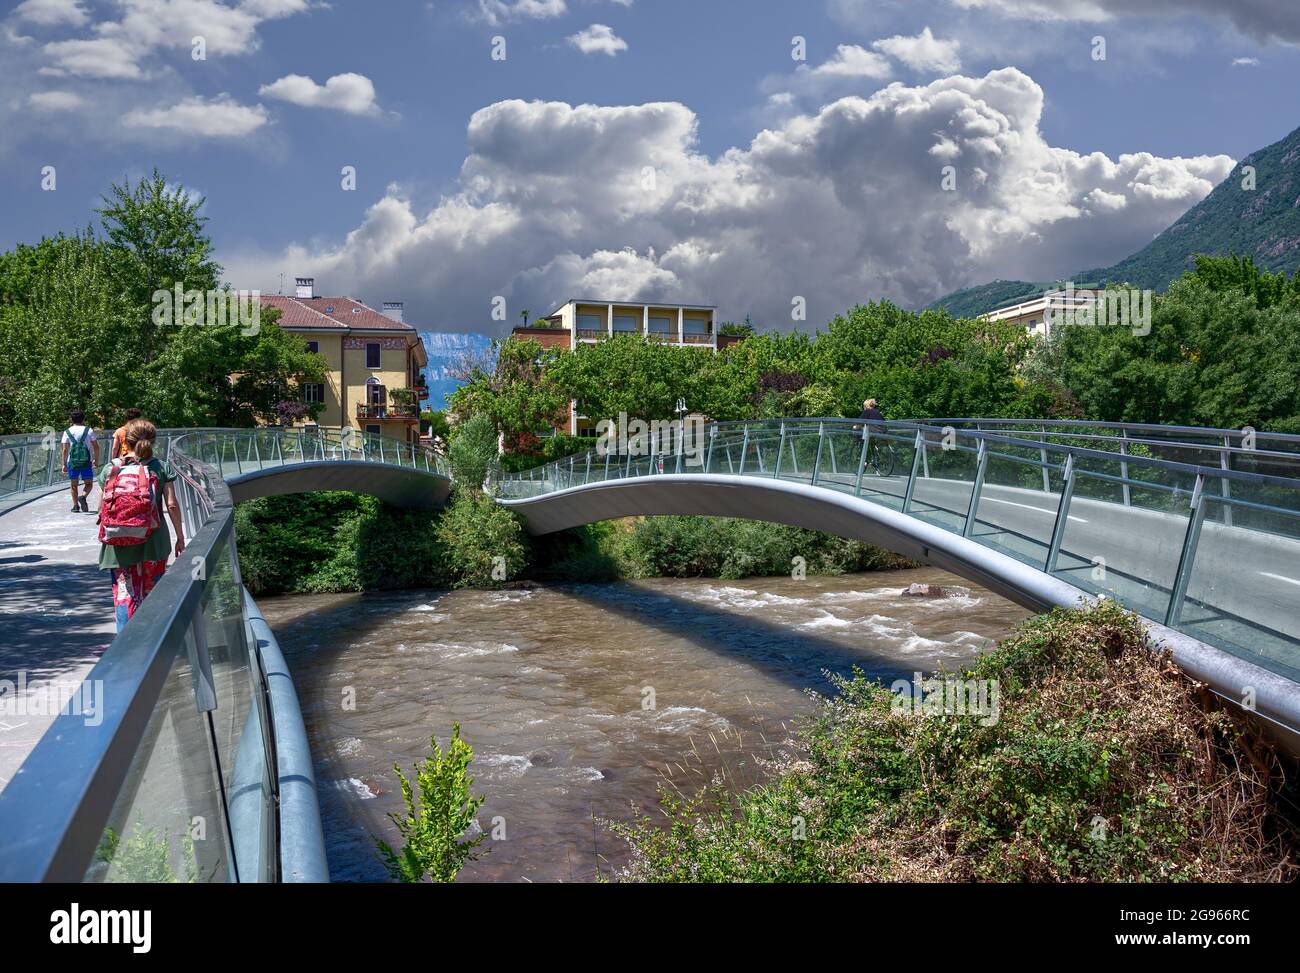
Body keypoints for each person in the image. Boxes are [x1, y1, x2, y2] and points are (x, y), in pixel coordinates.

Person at [97, 419, 185, 632]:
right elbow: (172, 505)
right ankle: (152, 644)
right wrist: (180, 538)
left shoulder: (111, 469)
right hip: (153, 543)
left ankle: (125, 645)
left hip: (117, 546)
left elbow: (102, 510)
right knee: (153, 596)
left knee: (125, 597)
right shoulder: (160, 467)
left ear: (126, 441)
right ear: (153, 442)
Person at [61, 409, 99, 513]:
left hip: (72, 462)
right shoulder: (89, 430)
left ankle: (75, 506)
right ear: (83, 419)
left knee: (74, 485)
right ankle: (83, 496)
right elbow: (96, 447)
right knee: (89, 483)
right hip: (86, 461)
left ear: (71, 419)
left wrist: (64, 464)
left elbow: (65, 450)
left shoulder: (67, 432)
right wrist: (96, 460)